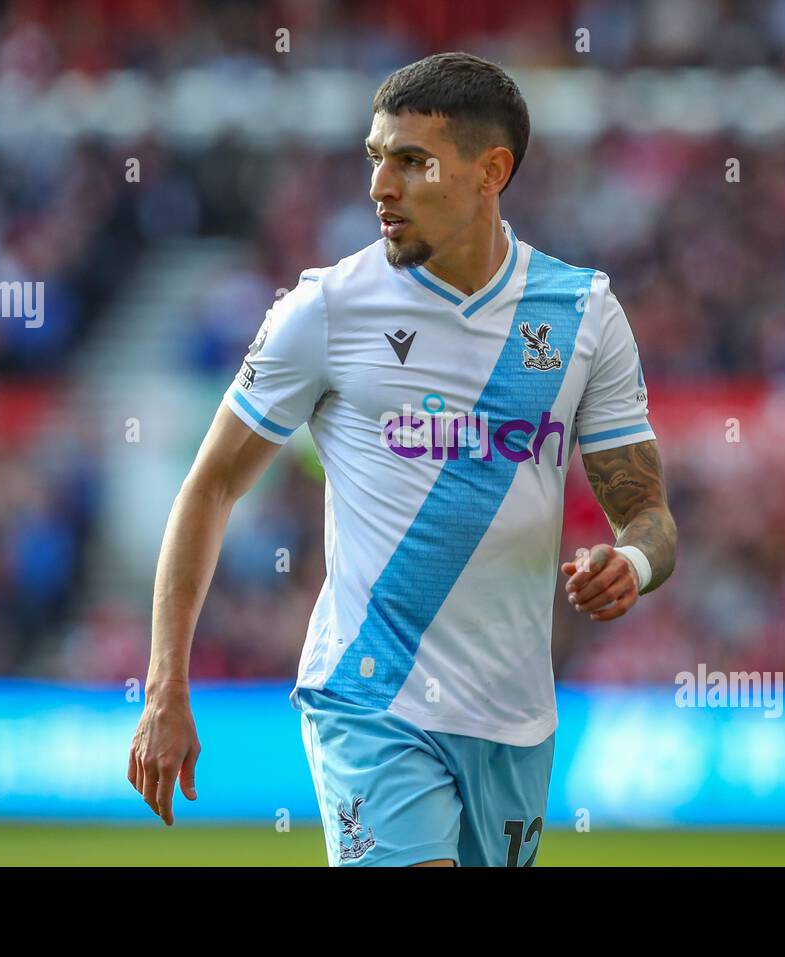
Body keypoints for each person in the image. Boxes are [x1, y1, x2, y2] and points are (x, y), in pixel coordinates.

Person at [128, 51, 677, 866]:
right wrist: (165, 680)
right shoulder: (326, 308)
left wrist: (630, 560)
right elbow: (209, 486)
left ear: (491, 171)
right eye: (375, 158)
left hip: (513, 716)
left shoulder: (582, 314)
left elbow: (652, 516)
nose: (381, 186)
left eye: (412, 162)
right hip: (368, 696)